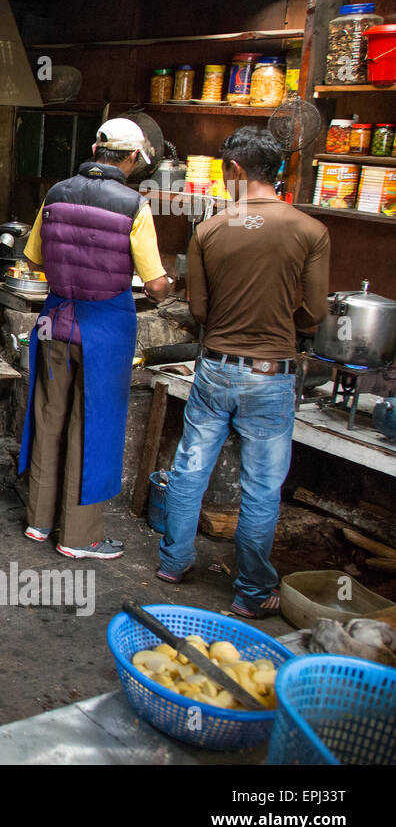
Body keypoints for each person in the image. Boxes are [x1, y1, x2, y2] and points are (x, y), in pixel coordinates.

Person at [158, 127, 330, 618]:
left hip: (214, 367)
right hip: (271, 373)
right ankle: (252, 593)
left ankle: (174, 563)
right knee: (260, 487)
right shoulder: (310, 231)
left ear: (235, 170)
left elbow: (198, 307)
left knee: (190, 467)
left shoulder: (208, 230)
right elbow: (315, 311)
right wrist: (277, 327)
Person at [18, 118, 172, 559]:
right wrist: (170, 288)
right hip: (104, 330)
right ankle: (79, 537)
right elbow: (155, 282)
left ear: (95, 149)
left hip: (54, 320)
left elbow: (34, 257)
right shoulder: (133, 206)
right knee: (93, 424)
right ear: (131, 158)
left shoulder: (55, 194)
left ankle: (39, 521)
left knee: (48, 418)